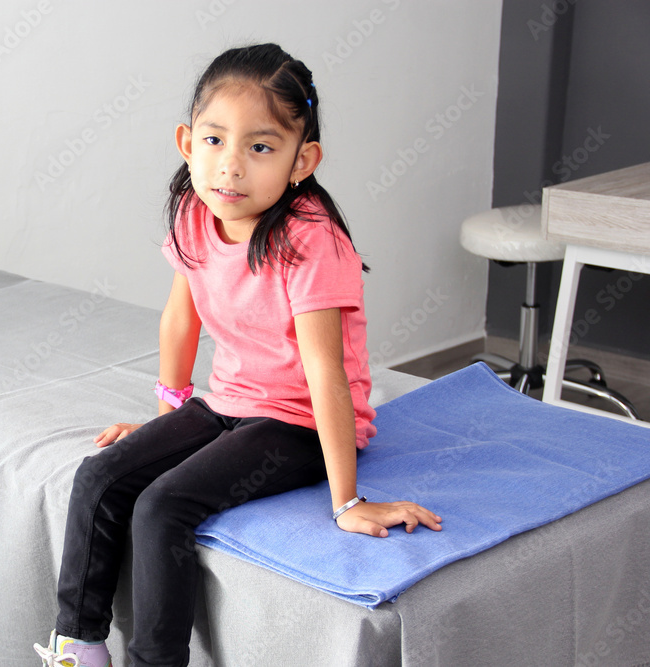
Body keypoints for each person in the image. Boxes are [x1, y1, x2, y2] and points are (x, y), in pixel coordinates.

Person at [34, 42, 442, 667]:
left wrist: (349, 502)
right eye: (215, 140)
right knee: (100, 476)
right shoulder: (195, 214)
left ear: (301, 161)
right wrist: (171, 415)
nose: (230, 166)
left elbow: (326, 374)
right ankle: (79, 646)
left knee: (163, 504)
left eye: (260, 147)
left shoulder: (309, 240)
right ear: (186, 142)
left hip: (299, 422)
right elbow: (181, 317)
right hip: (229, 401)